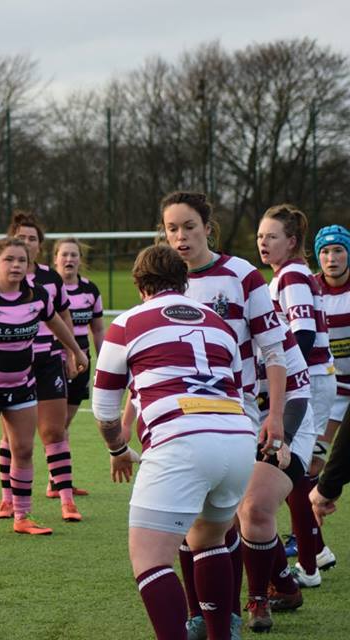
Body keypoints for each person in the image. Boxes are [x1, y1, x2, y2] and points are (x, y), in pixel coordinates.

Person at [92, 244, 256, 640]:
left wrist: (117, 449)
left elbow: (104, 410)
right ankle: (221, 633)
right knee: (209, 536)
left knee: (149, 559)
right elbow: (239, 385)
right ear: (184, 281)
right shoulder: (218, 323)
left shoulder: (128, 322)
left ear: (140, 284)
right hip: (238, 438)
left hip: (182, 440)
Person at [160, 191, 298, 637]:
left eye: (189, 227)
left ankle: (234, 612)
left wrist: (274, 416)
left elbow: (273, 351)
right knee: (189, 518)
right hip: (180, 418)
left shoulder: (241, 275)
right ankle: (198, 613)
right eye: (172, 229)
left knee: (224, 515)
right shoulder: (164, 281)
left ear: (207, 228)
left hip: (235, 414)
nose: (180, 237)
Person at [0, 237, 88, 538]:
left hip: (23, 385)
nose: (16, 266)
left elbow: (56, 323)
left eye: (22, 261)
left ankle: (22, 516)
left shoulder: (37, 295)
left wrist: (76, 351)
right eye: (9, 260)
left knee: (24, 450)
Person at [258, 205, 338, 588]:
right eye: (260, 235)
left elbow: (302, 334)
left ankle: (309, 562)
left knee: (290, 468)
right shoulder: (289, 274)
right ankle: (315, 550)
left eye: (271, 236)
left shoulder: (291, 275)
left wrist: (288, 385)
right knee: (294, 469)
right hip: (313, 378)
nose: (263, 242)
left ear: (291, 242)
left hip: (310, 380)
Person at [0, 212, 84, 523]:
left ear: (40, 245)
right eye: (21, 238)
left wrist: (71, 353)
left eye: (32, 239)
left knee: (53, 430)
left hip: (48, 361)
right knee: (12, 438)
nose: (27, 244)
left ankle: (66, 499)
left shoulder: (50, 278)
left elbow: (64, 317)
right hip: (14, 365)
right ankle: (7, 499)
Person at [309, 225, 350, 525]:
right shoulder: (309, 290)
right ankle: (311, 539)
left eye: (338, 250)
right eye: (324, 251)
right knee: (311, 463)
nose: (331, 257)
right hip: (331, 393)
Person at [52, 237, 105, 430]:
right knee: (52, 421)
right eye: (64, 254)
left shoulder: (90, 290)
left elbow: (98, 329)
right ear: (55, 259)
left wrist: (104, 361)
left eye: (74, 254)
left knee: (65, 422)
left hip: (82, 359)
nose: (69, 259)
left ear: (80, 260)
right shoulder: (48, 289)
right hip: (53, 358)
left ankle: (58, 456)